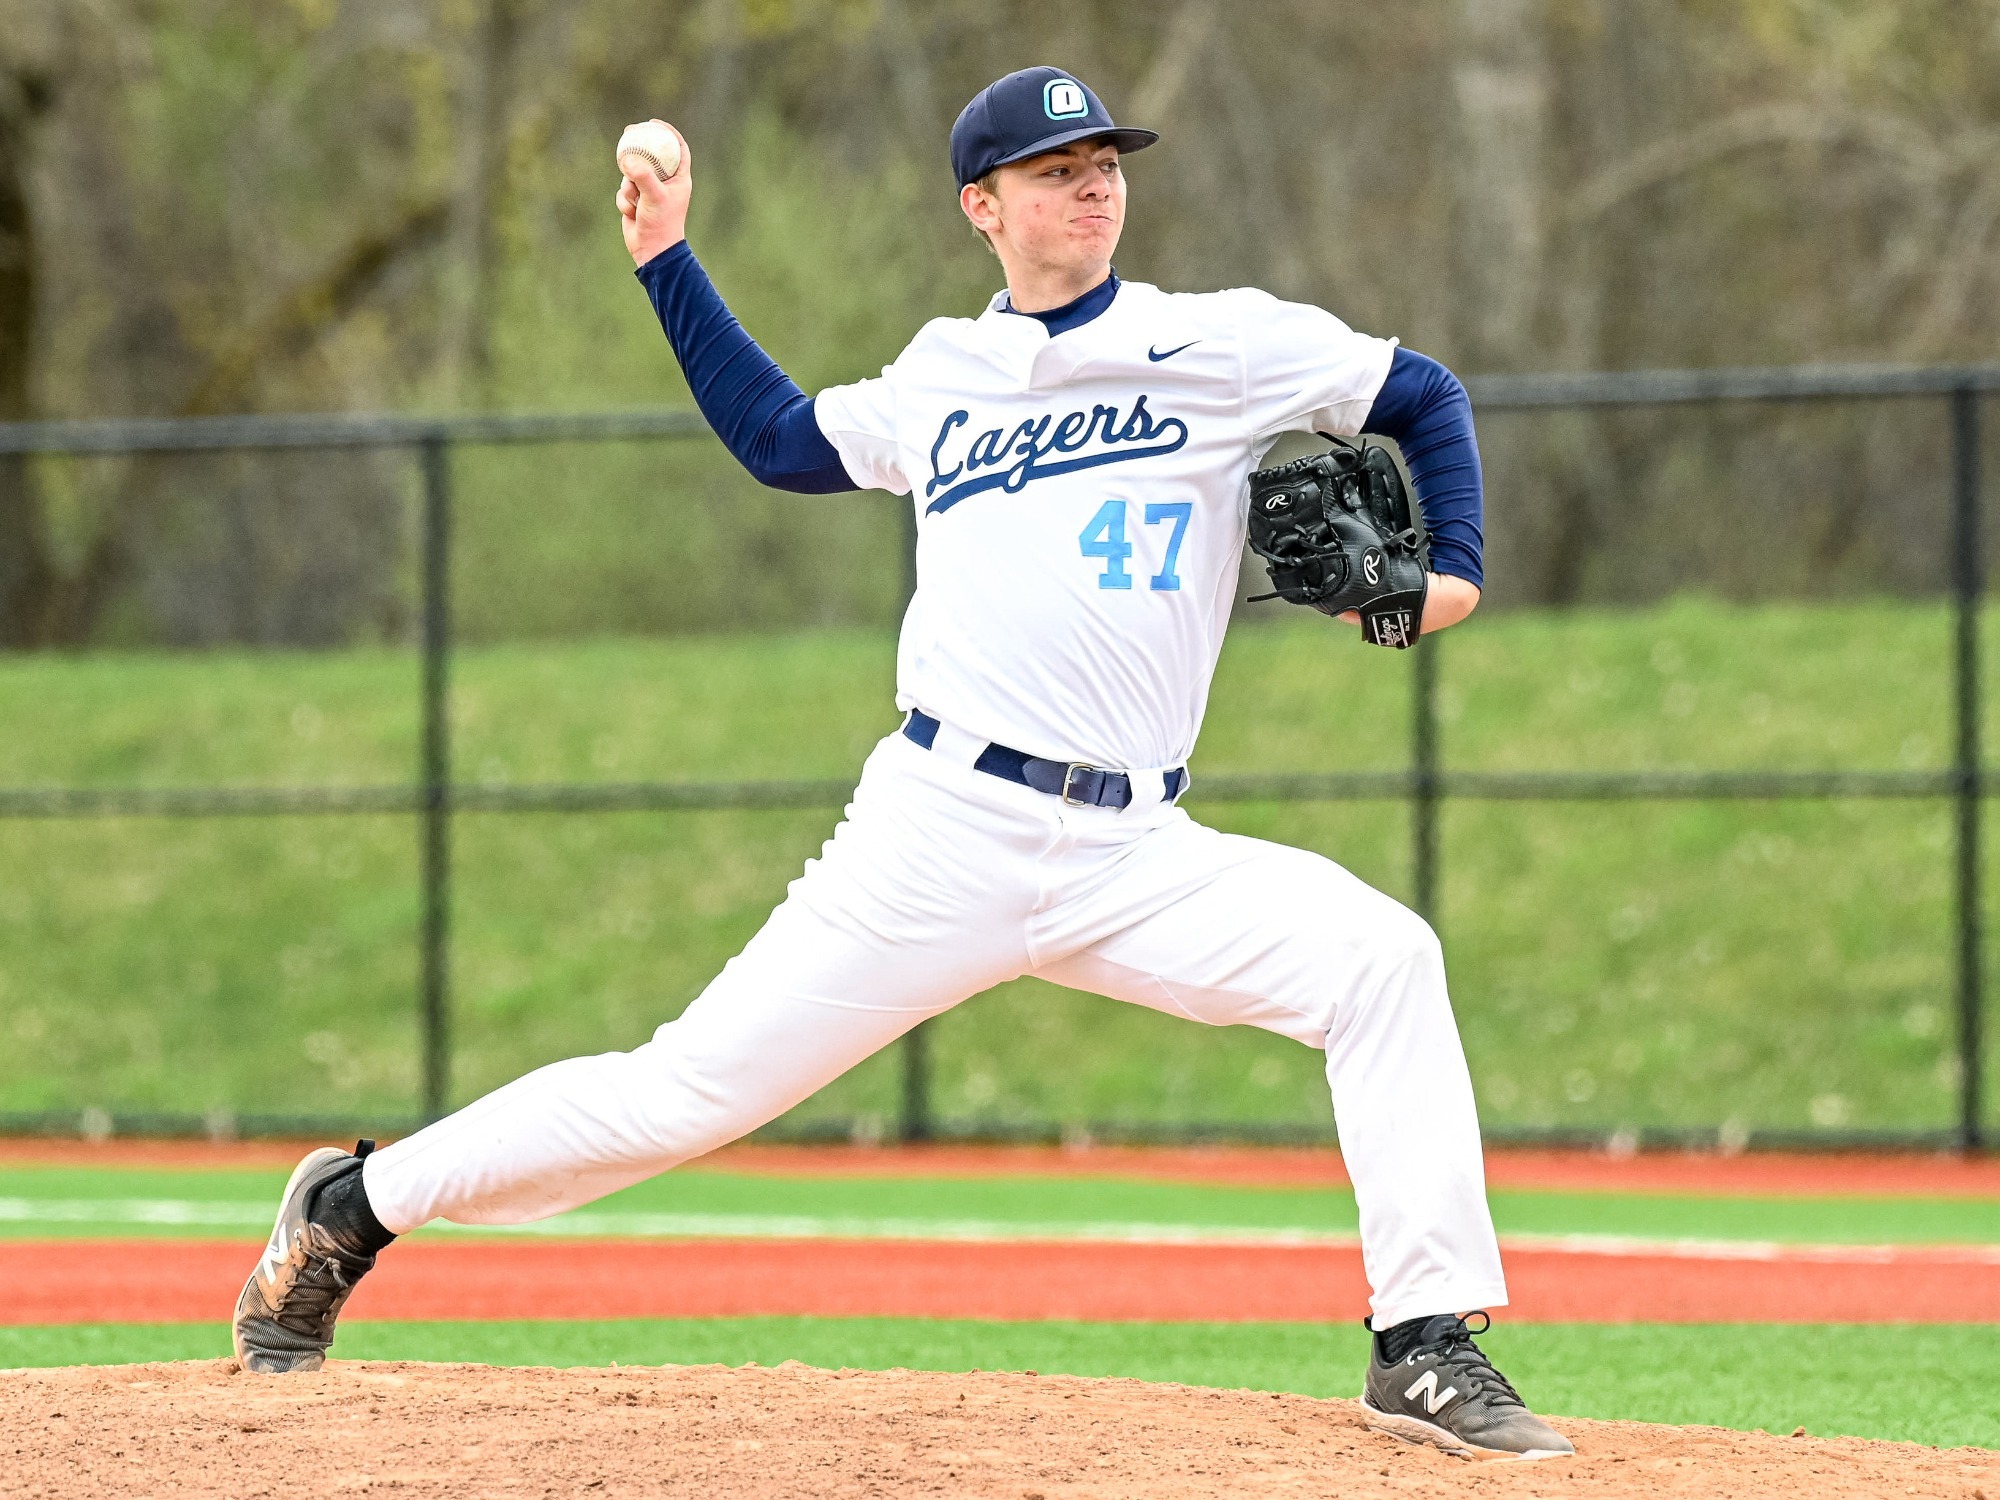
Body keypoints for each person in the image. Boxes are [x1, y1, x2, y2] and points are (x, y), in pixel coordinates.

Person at [234, 65, 1571, 1462]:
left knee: (1383, 961)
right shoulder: (945, 376)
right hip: (941, 827)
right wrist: (664, 257)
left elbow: (1421, 393)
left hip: (1136, 851)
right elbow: (776, 439)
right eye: (1058, 169)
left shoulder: (1224, 344)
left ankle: (1424, 1345)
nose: (1096, 183)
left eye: (1107, 160)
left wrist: (1451, 580)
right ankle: (353, 1208)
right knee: (681, 1092)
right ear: (981, 207)